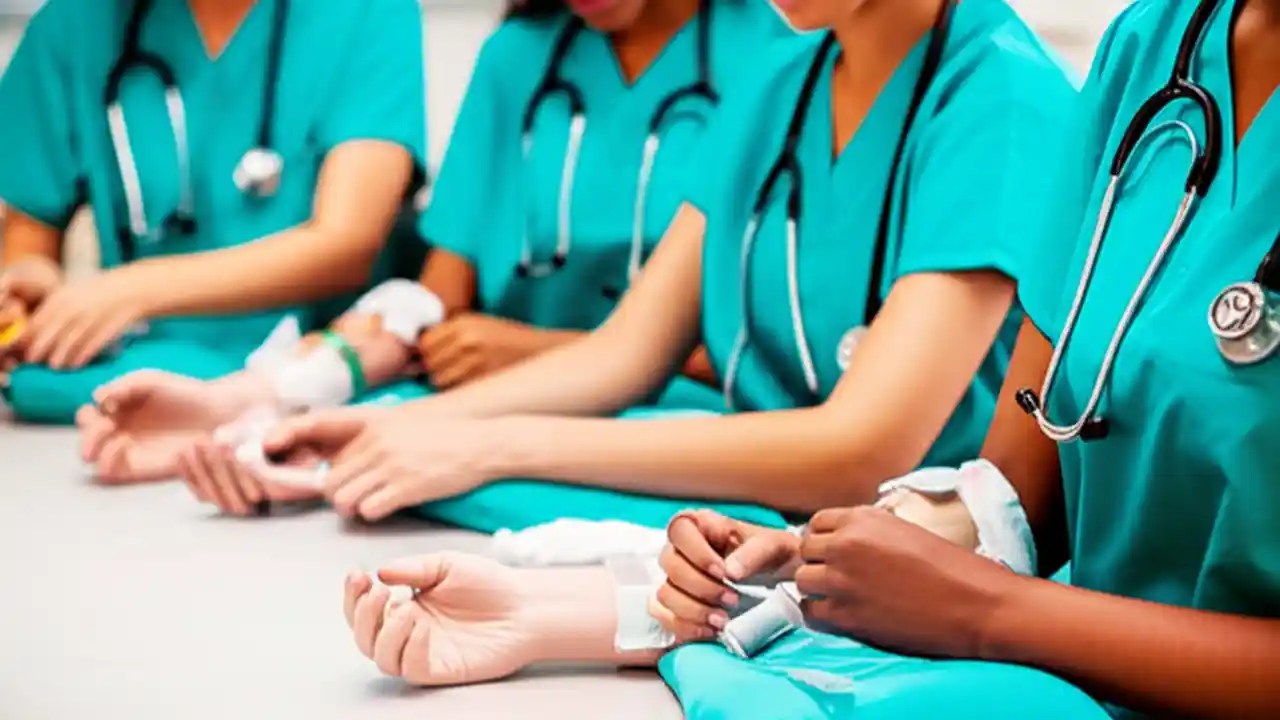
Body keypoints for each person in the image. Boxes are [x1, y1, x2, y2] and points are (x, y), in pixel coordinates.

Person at [331, 1, 1280, 717]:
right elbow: (1013, 502)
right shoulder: (1154, 50)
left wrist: (991, 615)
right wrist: (610, 608)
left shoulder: (1004, 94)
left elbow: (910, 501)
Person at [222, 0, 1072, 542]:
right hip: (734, 530)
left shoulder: (1001, 97)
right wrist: (395, 424)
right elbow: (623, 353)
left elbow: (857, 450)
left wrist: (492, 444)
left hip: (906, 553)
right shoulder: (784, 75)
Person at [74, 0, 789, 497]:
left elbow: (738, 350)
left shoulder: (775, 62)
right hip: (501, 414)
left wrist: (524, 348)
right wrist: (258, 399)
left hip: (681, 428)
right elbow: (428, 305)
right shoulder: (519, 56)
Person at [0, 0, 426, 424]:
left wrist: (133, 290)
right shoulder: (77, 23)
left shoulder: (365, 12)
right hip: (122, 388)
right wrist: (31, 287)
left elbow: (348, 243)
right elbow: (29, 232)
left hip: (310, 387)